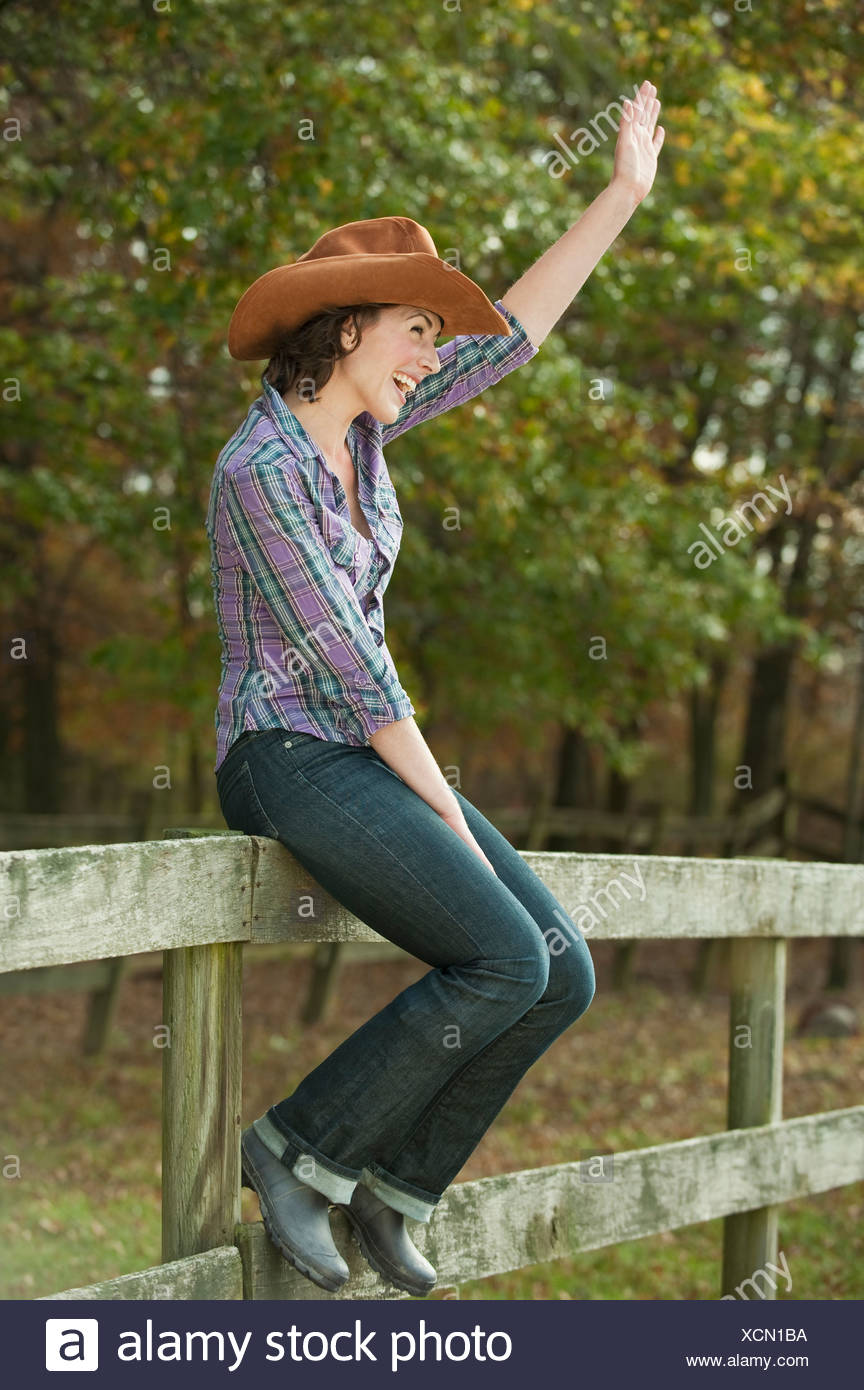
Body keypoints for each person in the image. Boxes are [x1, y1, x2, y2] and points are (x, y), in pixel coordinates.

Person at [208, 83, 664, 1298]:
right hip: (283, 754)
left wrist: (618, 196)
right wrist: (454, 812)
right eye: (416, 329)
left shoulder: (360, 437)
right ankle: (297, 1147)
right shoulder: (259, 471)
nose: (430, 353)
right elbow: (355, 678)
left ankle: (395, 1188)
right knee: (506, 958)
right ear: (349, 328)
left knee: (562, 968)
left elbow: (512, 333)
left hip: (356, 754)